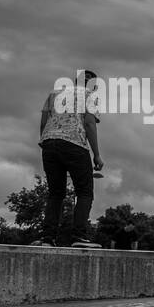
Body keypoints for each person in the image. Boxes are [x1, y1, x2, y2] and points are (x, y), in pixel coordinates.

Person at [34, 70, 103, 247]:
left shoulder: (55, 93)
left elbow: (43, 121)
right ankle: (78, 236)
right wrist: (96, 154)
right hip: (75, 144)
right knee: (84, 191)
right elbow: (89, 124)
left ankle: (47, 238)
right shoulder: (90, 96)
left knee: (55, 193)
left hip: (49, 142)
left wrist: (46, 141)